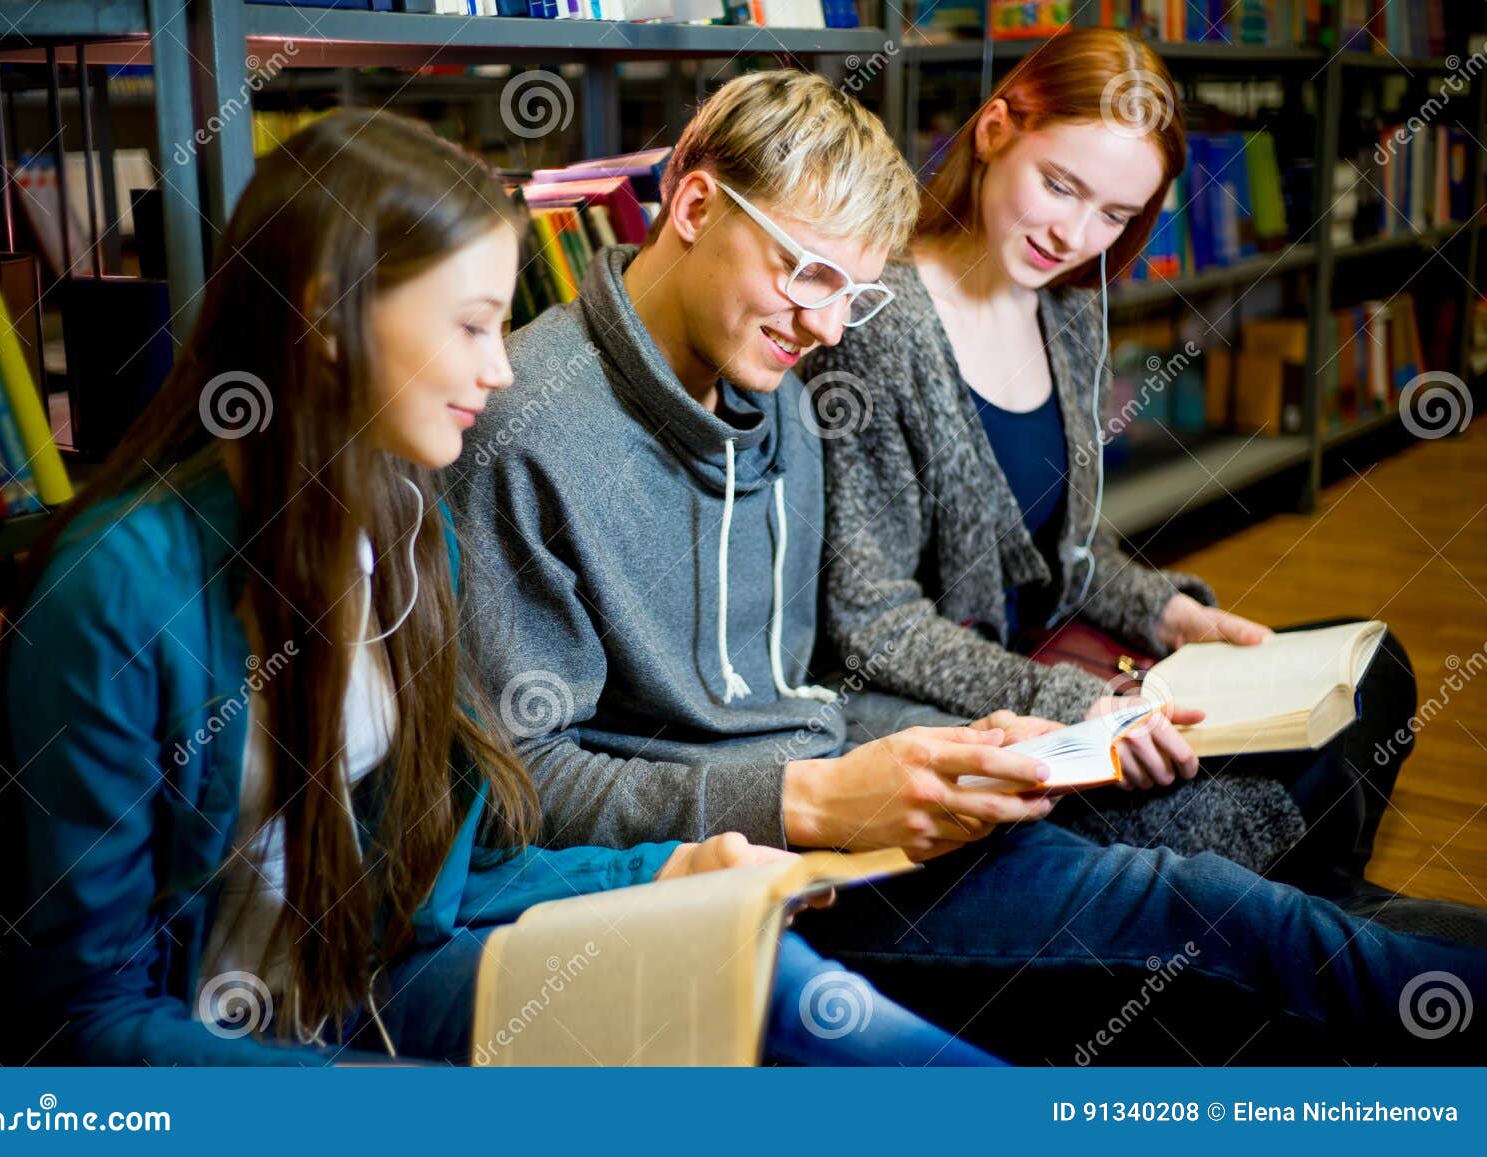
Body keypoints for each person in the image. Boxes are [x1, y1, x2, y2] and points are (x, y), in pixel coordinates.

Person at [448, 69, 1487, 1064]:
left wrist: (960, 741)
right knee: (1205, 915)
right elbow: (516, 788)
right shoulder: (524, 431)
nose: (822, 326)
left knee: (1264, 897)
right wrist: (807, 799)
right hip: (748, 868)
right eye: (807, 273)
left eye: (852, 296)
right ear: (692, 205)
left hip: (861, 808)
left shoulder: (780, 389)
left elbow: (798, 686)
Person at [2, 110, 999, 1068]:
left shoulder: (400, 520)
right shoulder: (114, 592)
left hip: (387, 989)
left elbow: (440, 883)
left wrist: (664, 871)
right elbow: (84, 1015)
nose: (497, 370)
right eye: (473, 326)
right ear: (328, 315)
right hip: (244, 1055)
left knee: (758, 980)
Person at [802, 29, 1420, 907]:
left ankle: (1283, 927)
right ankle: (1298, 930)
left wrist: (1166, 613)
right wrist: (1064, 701)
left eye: (1116, 216)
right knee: (1239, 809)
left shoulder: (1068, 308)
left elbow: (1068, 541)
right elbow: (870, 624)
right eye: (1060, 185)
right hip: (955, 712)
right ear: (994, 130)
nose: (1075, 234)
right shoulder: (879, 327)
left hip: (1067, 672)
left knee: (1372, 675)